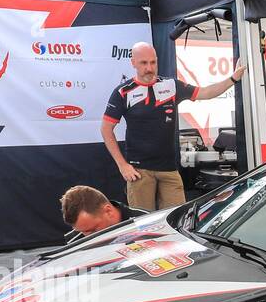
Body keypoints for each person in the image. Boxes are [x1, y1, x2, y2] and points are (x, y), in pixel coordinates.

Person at [101, 42, 246, 211]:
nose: (149, 68)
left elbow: (205, 93)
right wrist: (122, 165)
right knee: (143, 223)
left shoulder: (171, 85)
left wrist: (233, 78)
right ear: (133, 63)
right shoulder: (123, 92)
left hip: (169, 169)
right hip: (139, 172)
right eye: (143, 63)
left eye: (153, 62)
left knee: (177, 218)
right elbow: (106, 129)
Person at [59, 185, 143, 241]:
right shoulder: (73, 243)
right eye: (83, 232)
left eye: (93, 230)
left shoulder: (147, 220)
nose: (89, 237)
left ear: (108, 211)